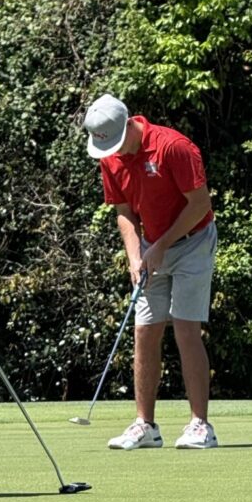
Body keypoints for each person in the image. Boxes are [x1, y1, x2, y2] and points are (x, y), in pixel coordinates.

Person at [83, 93, 218, 450]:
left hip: (192, 240)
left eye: (114, 143)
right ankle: (146, 425)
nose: (111, 152)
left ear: (129, 124)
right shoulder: (110, 156)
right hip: (151, 247)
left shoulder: (172, 147)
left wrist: (159, 246)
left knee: (186, 327)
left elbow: (200, 204)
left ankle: (200, 425)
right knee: (145, 330)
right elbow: (124, 210)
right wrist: (135, 254)